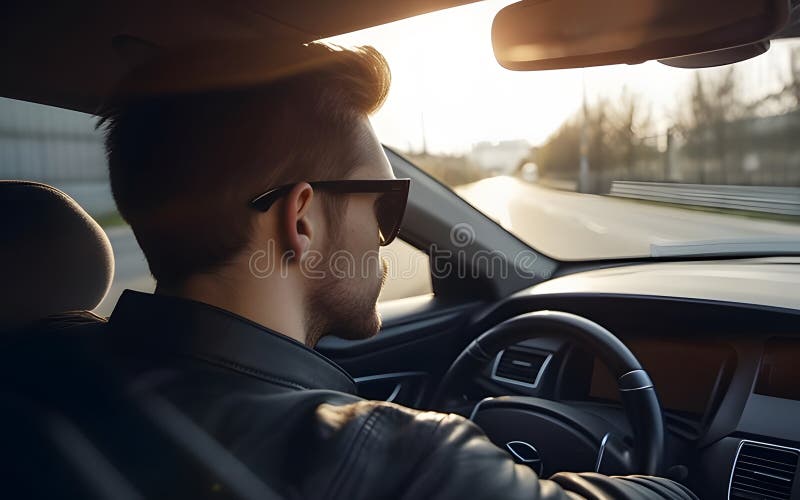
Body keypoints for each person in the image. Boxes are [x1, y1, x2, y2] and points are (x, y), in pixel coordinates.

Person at [96, 42, 696, 499]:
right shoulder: (405, 463)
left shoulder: (37, 359)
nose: (390, 235)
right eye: (385, 205)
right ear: (301, 221)